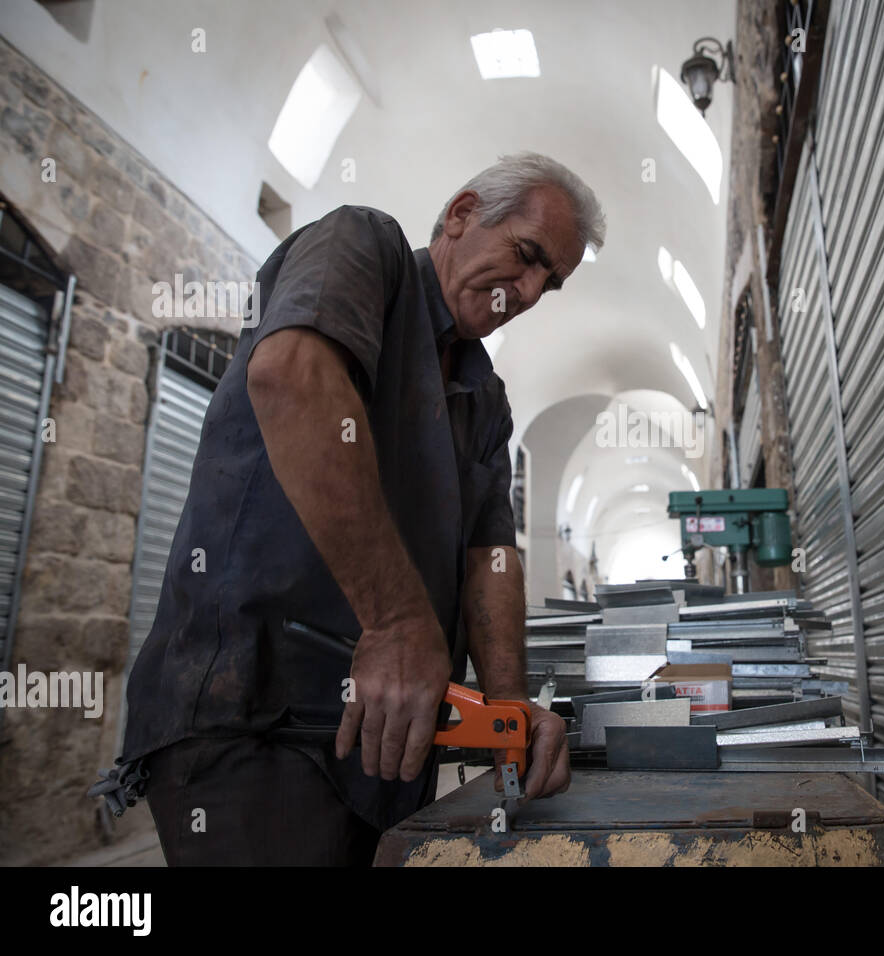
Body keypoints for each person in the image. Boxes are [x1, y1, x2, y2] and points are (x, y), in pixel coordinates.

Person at [110, 151, 606, 865]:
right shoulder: (360, 247)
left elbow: (489, 557)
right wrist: (399, 622)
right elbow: (292, 377)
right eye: (526, 256)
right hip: (256, 725)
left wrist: (507, 709)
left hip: (388, 751)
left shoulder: (484, 395)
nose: (528, 291)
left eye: (548, 283)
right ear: (463, 215)